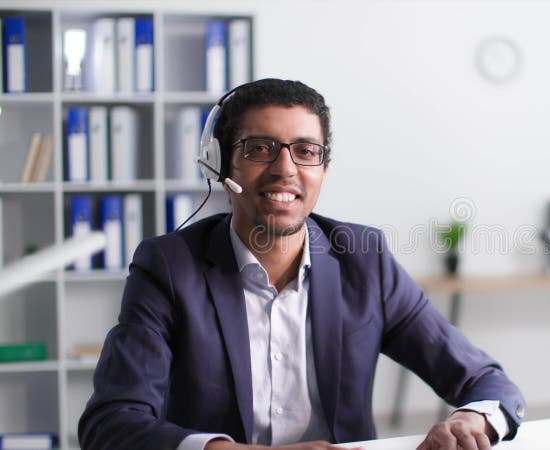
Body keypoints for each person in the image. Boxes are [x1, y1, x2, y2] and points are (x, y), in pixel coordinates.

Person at [78, 78, 526, 450]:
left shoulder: (363, 259)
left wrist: (472, 421)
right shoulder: (168, 266)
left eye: (306, 151)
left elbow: (487, 381)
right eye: (259, 149)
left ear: (323, 169)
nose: (285, 169)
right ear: (219, 163)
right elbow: (112, 424)